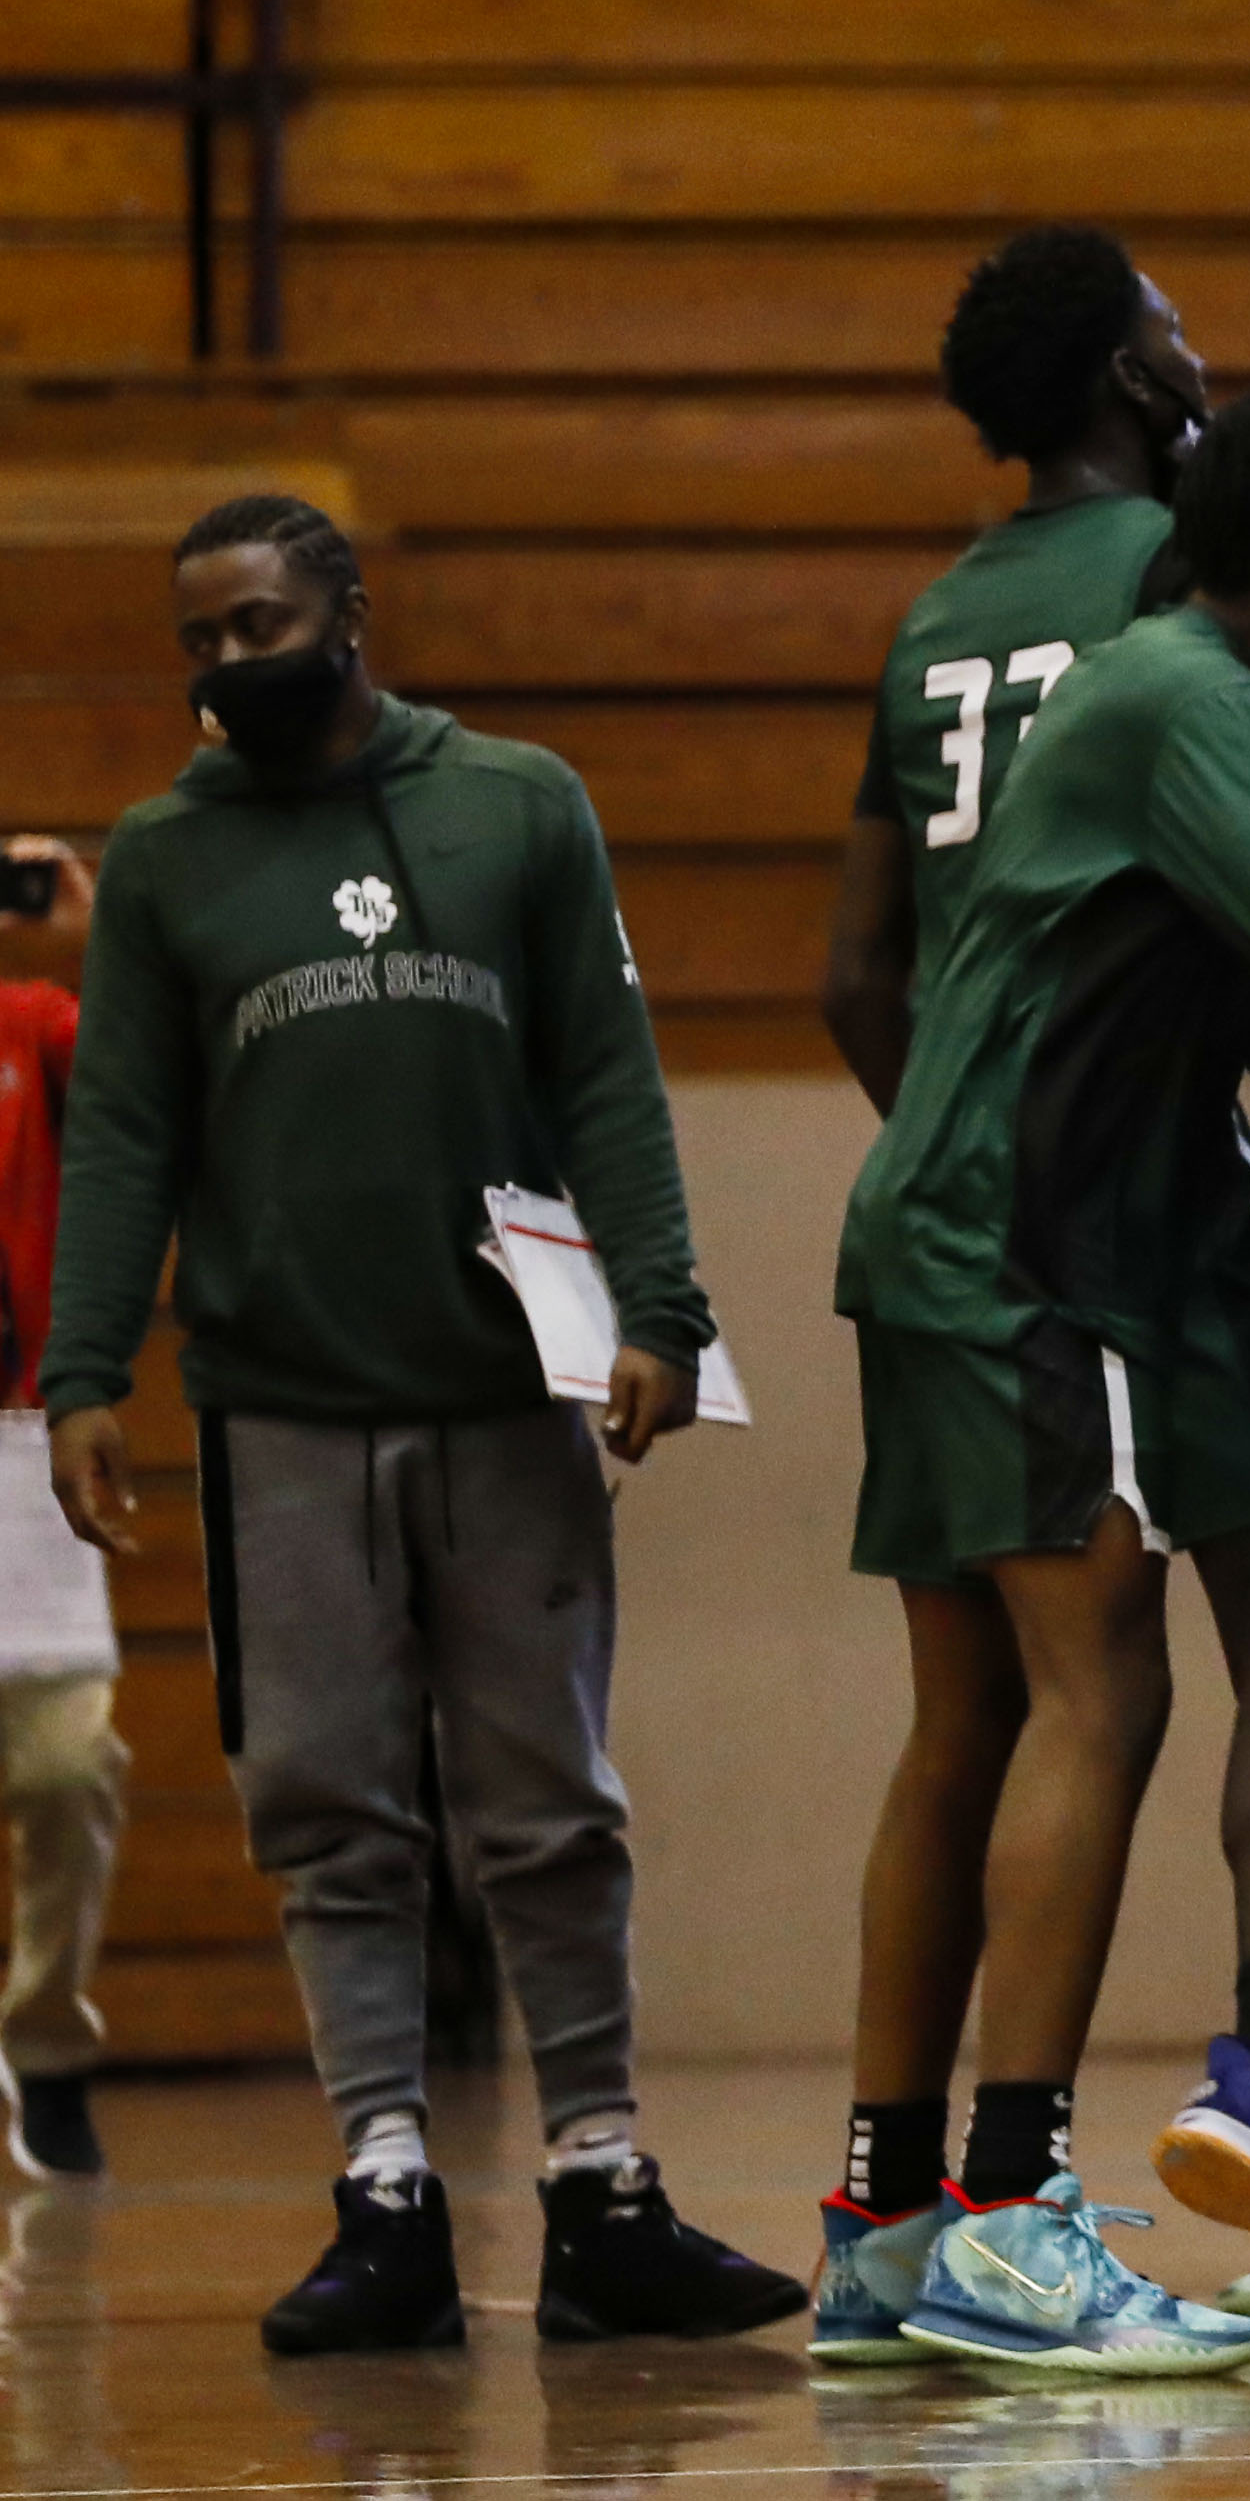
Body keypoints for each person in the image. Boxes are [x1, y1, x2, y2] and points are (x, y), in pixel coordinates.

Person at [39, 495, 800, 2355]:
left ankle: (603, 2182)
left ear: (352, 611)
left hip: (500, 1390)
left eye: (263, 621)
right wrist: (77, 1374)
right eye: (201, 638)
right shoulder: (162, 863)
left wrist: (663, 1308)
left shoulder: (520, 805)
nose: (232, 661)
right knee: (329, 1812)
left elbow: (605, 1075)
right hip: (279, 1408)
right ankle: (382, 2184)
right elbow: (127, 1131)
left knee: (549, 1807)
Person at [827, 374, 1250, 2376]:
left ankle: (1167, 2118)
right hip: (1024, 1229)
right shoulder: (1173, 690)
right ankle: (1006, 2205)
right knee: (1080, 1681)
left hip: (1128, 1226)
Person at [2, 838, 121, 2182]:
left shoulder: (27, 1027)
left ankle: (46, 2038)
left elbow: (146, 1084)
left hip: (18, 1432)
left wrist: (87, 934)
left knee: (65, 1765)